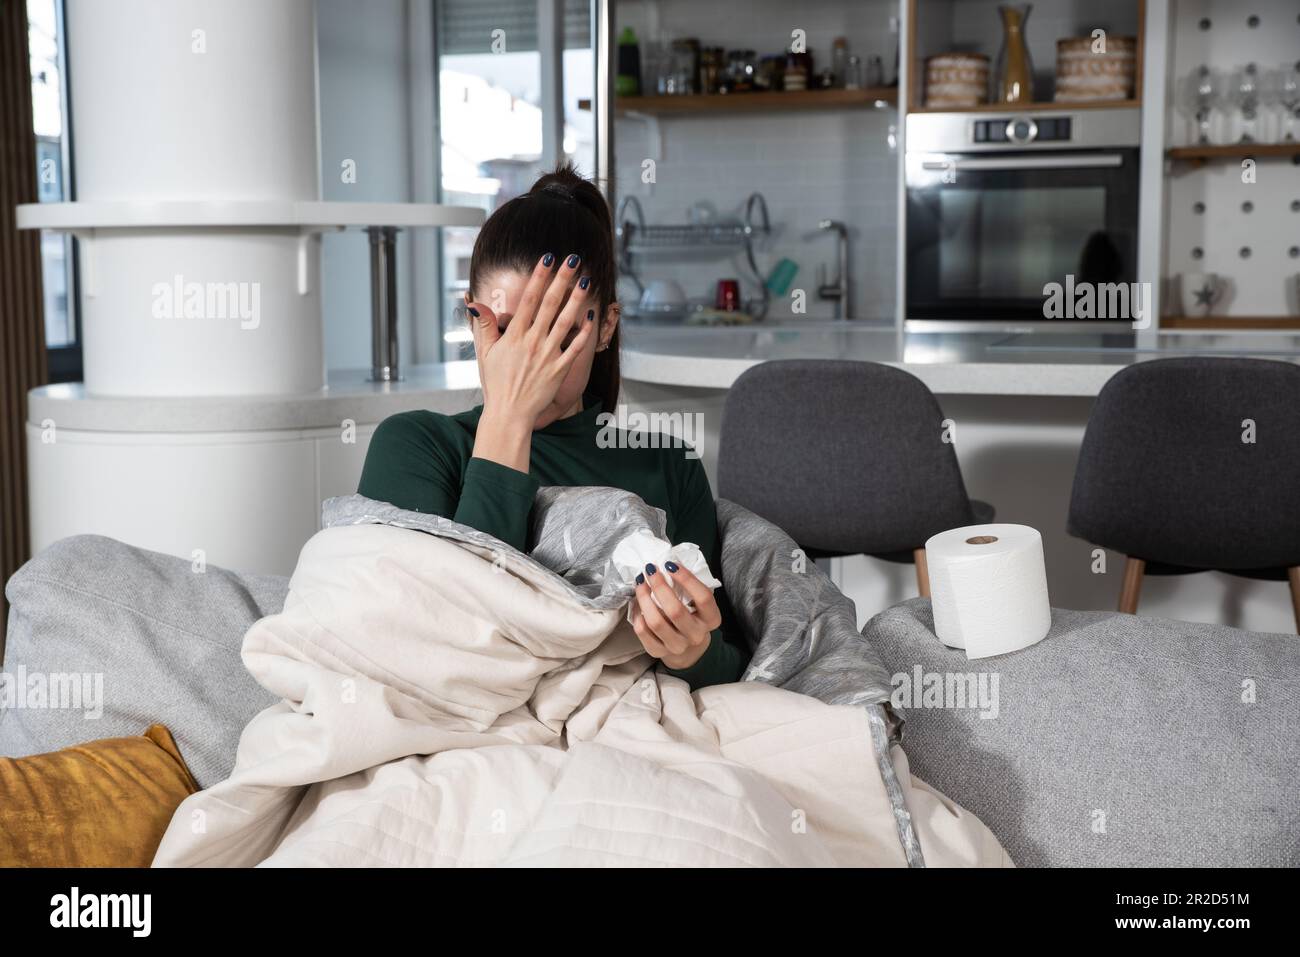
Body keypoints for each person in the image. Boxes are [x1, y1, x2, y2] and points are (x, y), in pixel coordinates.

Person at [357, 164, 749, 689]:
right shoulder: (414, 446)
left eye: (559, 335)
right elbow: (446, 640)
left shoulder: (669, 465)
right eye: (510, 332)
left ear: (605, 326)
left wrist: (692, 652)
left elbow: (729, 673)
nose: (531, 362)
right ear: (474, 321)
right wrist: (508, 419)